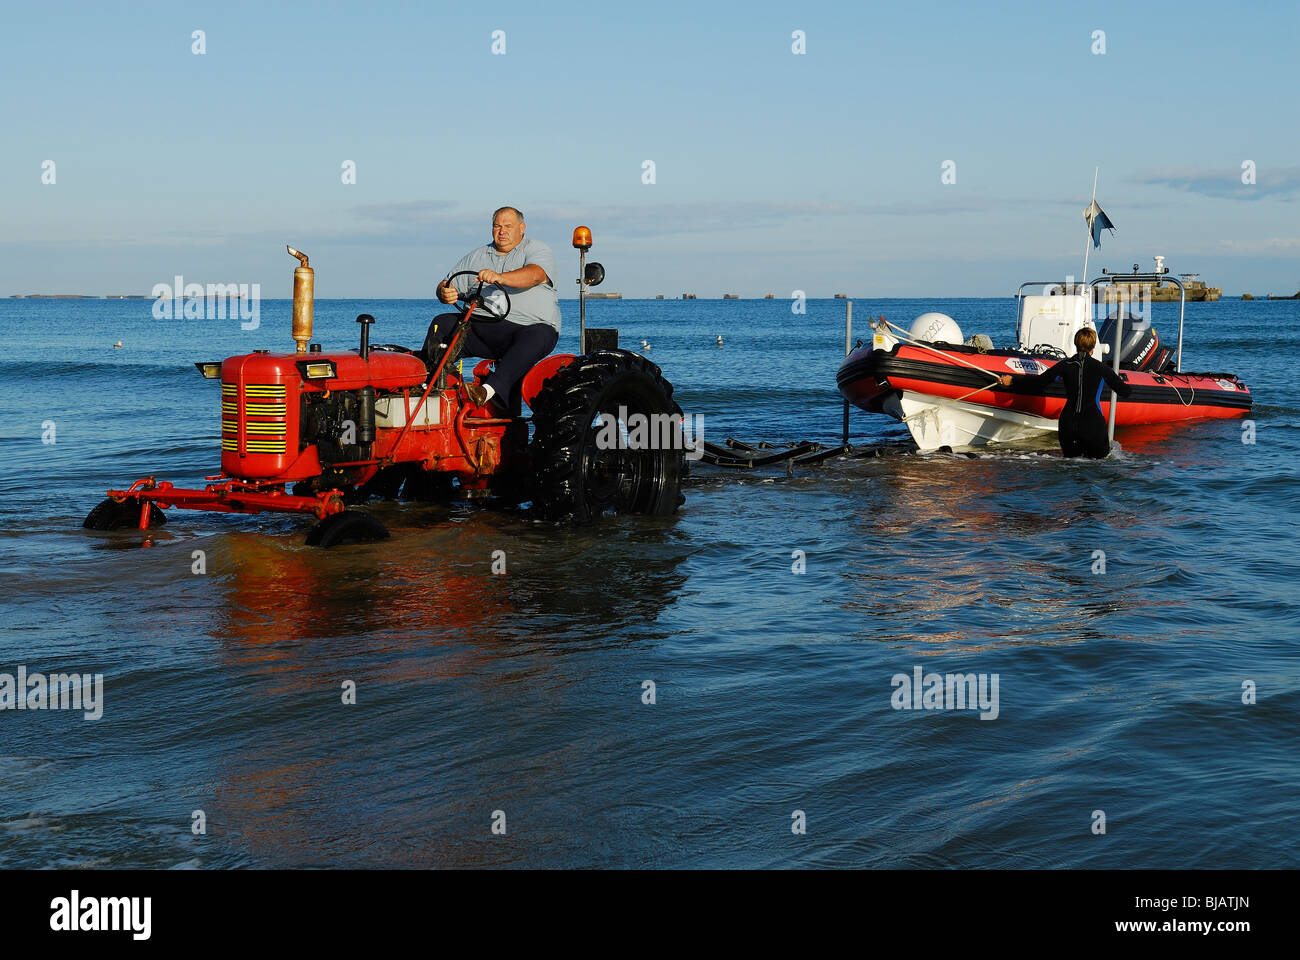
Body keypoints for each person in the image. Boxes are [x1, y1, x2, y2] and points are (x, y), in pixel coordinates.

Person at [422, 206, 560, 412]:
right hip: (483, 328)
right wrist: (444, 292)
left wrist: (500, 277)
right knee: (442, 323)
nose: (501, 231)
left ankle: (488, 390)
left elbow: (535, 274)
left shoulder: (536, 249)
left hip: (525, 329)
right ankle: (430, 384)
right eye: (497, 226)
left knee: (539, 333)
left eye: (508, 226)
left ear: (521, 228)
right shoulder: (477, 255)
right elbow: (446, 283)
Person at [998, 327, 1133, 459]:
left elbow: (1039, 382)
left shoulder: (1064, 365)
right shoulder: (1102, 368)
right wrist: (1120, 379)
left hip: (1068, 425)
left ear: (1075, 344)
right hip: (1093, 424)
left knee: (1071, 464)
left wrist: (1013, 381)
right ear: (1093, 346)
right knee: (1099, 463)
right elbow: (1125, 392)